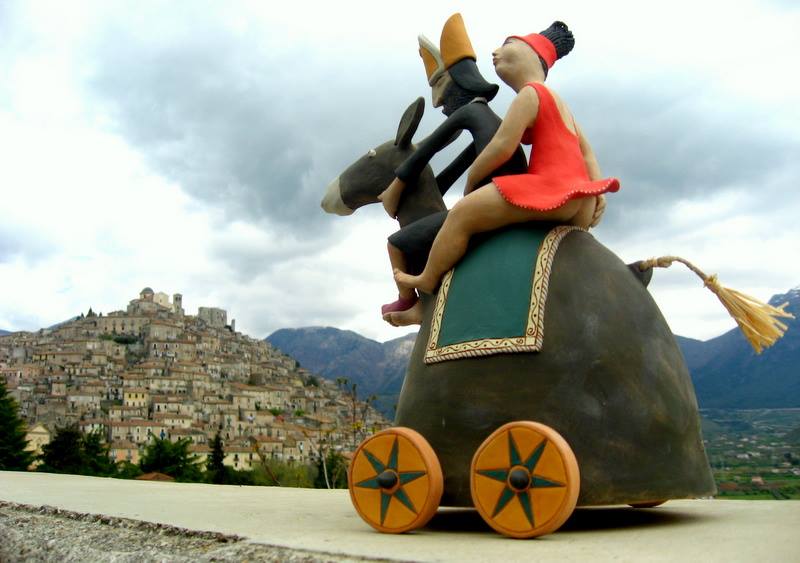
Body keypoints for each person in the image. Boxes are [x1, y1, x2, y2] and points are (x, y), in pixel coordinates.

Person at [392, 21, 619, 295]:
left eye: (508, 45)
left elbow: (502, 146)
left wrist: (473, 179)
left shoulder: (530, 94)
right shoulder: (561, 104)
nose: (496, 52)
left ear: (532, 55)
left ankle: (427, 278)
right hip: (581, 200)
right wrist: (598, 192)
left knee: (461, 215)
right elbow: (586, 152)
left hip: (551, 190)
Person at [380, 13, 527, 326]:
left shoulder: (471, 112)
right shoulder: (492, 124)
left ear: (459, 82)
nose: (438, 104)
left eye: (441, 90)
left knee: (396, 243)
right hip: (512, 196)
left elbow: (428, 149)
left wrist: (394, 189)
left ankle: (413, 301)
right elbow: (465, 163)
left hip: (495, 200)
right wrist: (437, 189)